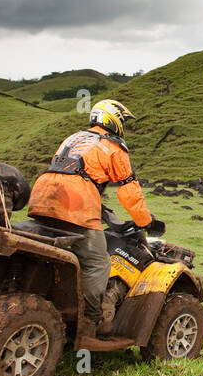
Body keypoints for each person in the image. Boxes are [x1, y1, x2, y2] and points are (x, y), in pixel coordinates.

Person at [28, 99, 153, 334]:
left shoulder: (74, 137)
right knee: (97, 261)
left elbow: (73, 171)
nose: (123, 125)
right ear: (112, 119)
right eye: (122, 120)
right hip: (75, 203)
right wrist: (146, 221)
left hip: (43, 195)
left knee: (51, 244)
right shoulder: (113, 146)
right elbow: (129, 191)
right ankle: (88, 319)